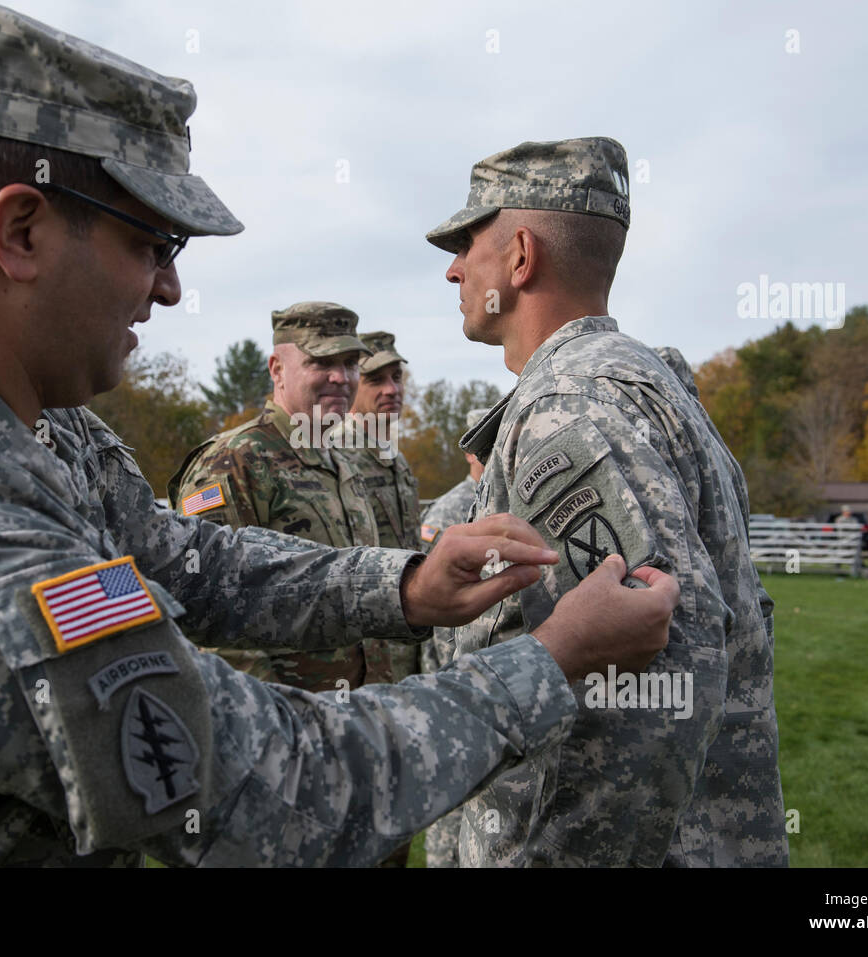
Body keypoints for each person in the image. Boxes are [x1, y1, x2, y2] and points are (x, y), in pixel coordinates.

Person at [0, 2, 680, 868]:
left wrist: (402, 586)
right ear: (21, 232)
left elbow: (188, 561)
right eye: (150, 244)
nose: (168, 287)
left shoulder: (25, 424)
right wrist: (554, 659)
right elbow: (280, 794)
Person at [426, 137, 787, 867]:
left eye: (468, 244)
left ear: (521, 257)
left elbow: (653, 680)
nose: (453, 268)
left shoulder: (572, 405)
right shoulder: (644, 384)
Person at [168, 302, 400, 693]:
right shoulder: (234, 462)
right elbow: (208, 611)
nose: (341, 378)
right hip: (288, 724)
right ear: (277, 369)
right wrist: (281, 722)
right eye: (321, 362)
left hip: (362, 713)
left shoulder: (344, 464)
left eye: (349, 363)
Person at [416, 406, 490, 869]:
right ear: (468, 452)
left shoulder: (513, 493)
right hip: (450, 679)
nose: (489, 453)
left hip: (493, 678)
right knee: (449, 819)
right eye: (481, 446)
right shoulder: (448, 509)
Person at [336, 331, 423, 683]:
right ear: (354, 383)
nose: (392, 389)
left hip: (404, 636)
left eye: (397, 377)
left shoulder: (394, 455)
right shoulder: (336, 451)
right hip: (364, 651)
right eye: (375, 379)